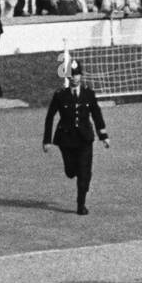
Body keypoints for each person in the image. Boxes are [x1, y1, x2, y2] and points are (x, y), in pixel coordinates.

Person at [42, 60, 110, 215]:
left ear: (81, 75)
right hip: (66, 140)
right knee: (71, 171)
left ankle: (81, 204)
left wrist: (103, 135)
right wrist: (47, 140)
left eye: (77, 74)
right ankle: (76, 172)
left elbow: (96, 114)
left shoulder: (88, 94)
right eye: (72, 75)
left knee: (84, 171)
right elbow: (50, 117)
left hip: (85, 138)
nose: (74, 78)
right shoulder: (60, 95)